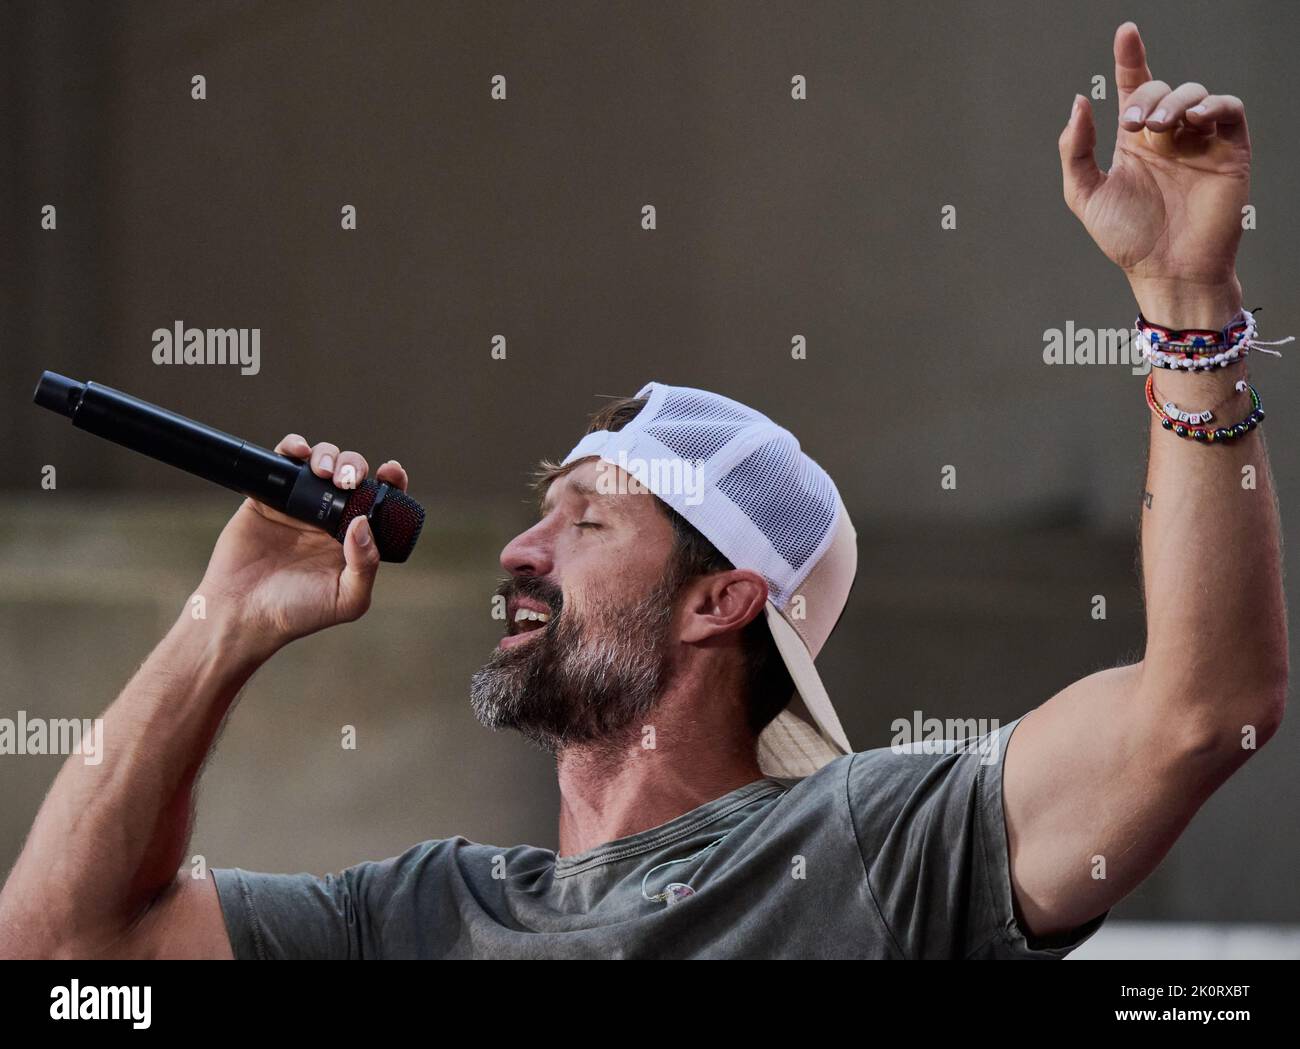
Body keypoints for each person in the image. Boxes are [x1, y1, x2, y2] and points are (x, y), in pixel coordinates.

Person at [0, 22, 1285, 959]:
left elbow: (1204, 707)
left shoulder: (871, 846)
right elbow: (62, 960)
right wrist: (221, 619)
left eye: (586, 518)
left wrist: (1186, 312)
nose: (520, 545)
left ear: (721, 596)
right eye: (541, 508)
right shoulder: (417, 916)